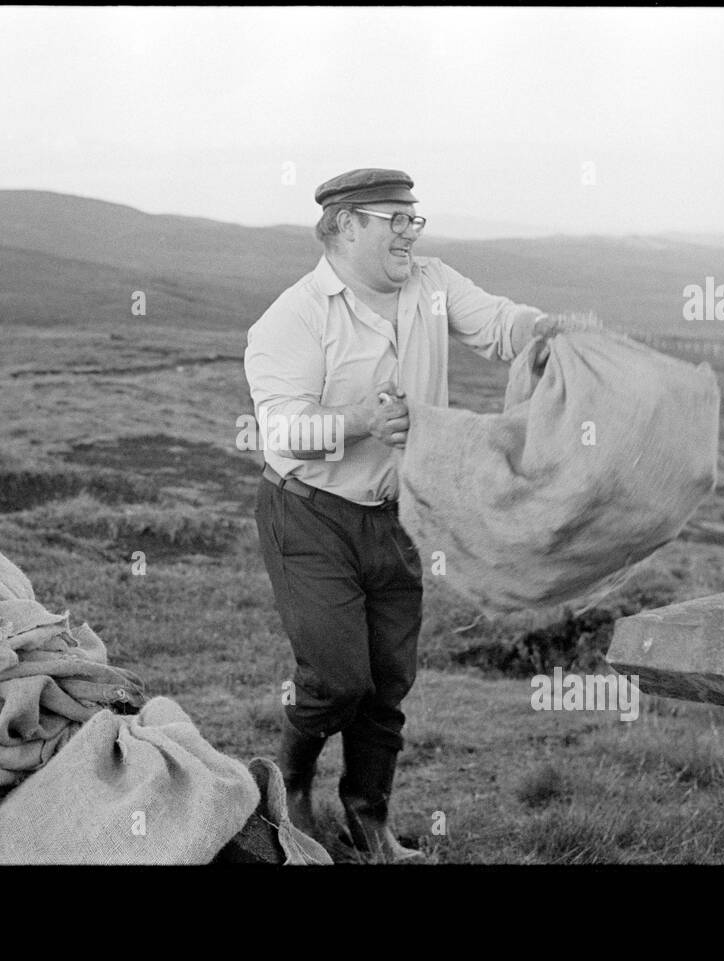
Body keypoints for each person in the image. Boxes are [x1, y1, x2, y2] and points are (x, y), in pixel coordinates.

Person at [244, 167, 586, 861]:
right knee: (339, 677)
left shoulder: (432, 284)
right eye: (392, 218)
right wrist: (363, 421)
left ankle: (370, 820)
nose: (408, 230)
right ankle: (289, 787)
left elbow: (496, 324)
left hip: (398, 516)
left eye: (413, 217)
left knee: (389, 678)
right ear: (344, 226)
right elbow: (278, 428)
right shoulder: (293, 317)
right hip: (309, 514)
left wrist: (542, 328)